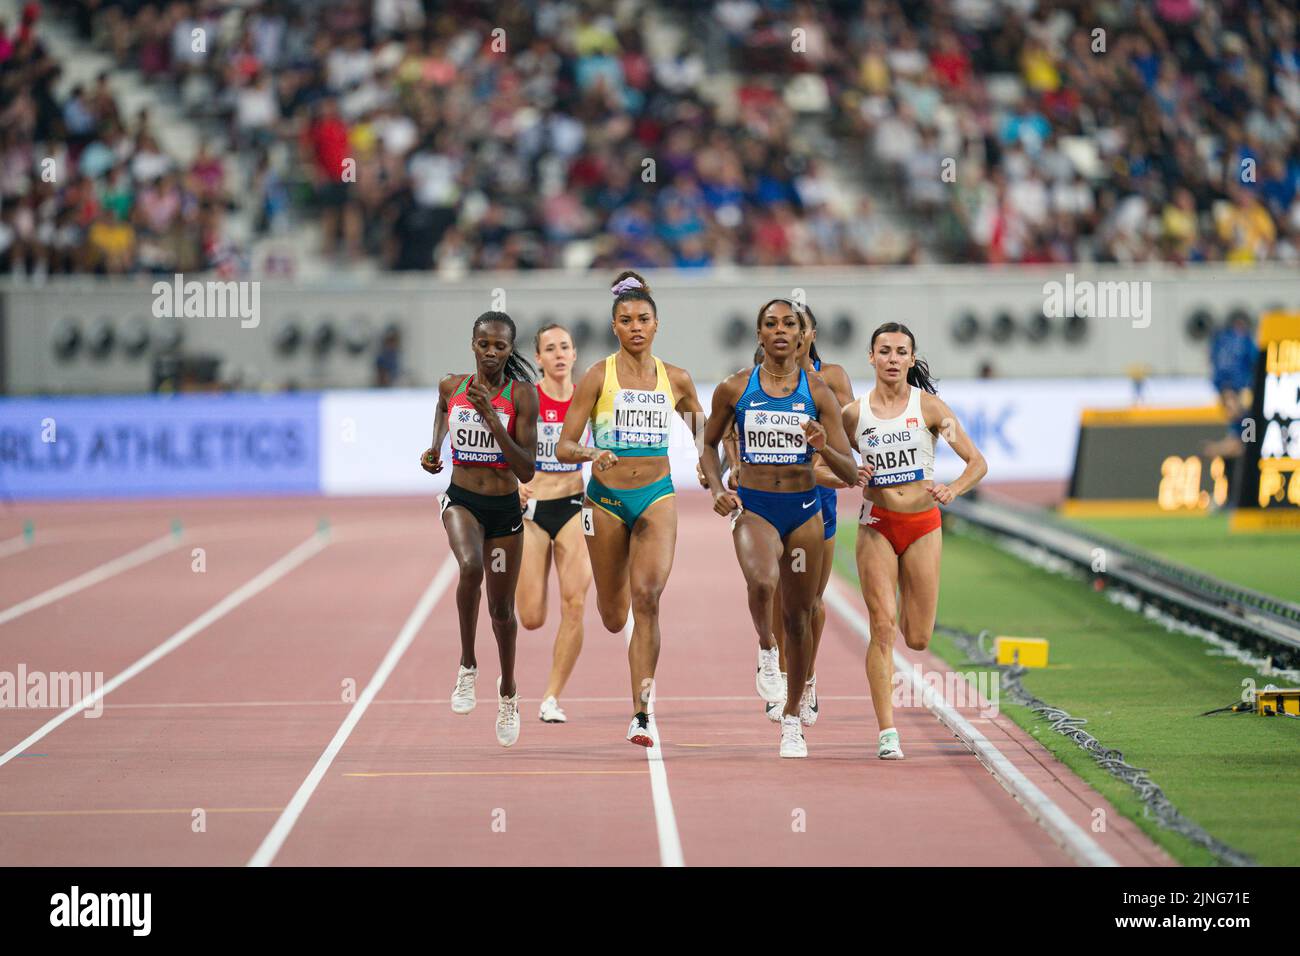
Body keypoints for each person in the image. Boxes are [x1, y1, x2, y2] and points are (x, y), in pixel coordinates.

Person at [700, 300, 861, 757]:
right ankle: (766, 649)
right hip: (756, 508)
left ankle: (793, 718)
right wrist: (716, 487)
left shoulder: (820, 390)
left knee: (801, 614)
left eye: (789, 324)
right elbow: (708, 444)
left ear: (802, 334)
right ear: (759, 334)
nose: (780, 331)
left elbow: (850, 472)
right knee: (763, 582)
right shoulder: (735, 388)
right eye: (771, 324)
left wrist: (822, 446)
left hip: (805, 510)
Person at [556, 270, 706, 747]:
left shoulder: (676, 378)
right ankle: (614, 600)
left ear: (656, 324)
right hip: (604, 501)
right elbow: (563, 446)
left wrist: (715, 470)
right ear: (614, 326)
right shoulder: (598, 376)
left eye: (643, 318)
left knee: (648, 599)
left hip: (656, 496)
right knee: (614, 614)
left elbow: (705, 434)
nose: (636, 326)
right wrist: (591, 454)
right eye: (626, 320)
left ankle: (642, 712)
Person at [843, 322, 986, 759]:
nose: (891, 358)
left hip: (923, 525)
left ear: (910, 358)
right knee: (881, 626)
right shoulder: (853, 414)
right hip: (876, 525)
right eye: (883, 351)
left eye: (900, 351)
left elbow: (976, 462)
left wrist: (953, 489)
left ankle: (906, 599)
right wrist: (852, 473)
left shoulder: (929, 409)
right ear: (871, 357)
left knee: (918, 638)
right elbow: (824, 465)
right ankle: (887, 732)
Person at [420, 312, 538, 747]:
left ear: (510, 349)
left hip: (504, 509)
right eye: (484, 344)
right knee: (470, 566)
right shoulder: (452, 386)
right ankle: (467, 665)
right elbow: (441, 408)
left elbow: (526, 469)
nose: (491, 353)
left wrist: (492, 419)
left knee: (502, 612)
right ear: (473, 343)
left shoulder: (522, 396)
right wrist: (435, 449)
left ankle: (508, 690)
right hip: (462, 499)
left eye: (500, 346)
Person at [767, 304, 856, 725]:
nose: (792, 334)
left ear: (812, 333)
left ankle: (808, 678)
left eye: (799, 327)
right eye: (784, 326)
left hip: (822, 499)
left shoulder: (831, 378)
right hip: (775, 494)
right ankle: (778, 669)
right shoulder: (765, 373)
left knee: (810, 601)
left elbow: (854, 437)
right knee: (774, 590)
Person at [517, 323, 593, 724]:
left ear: (575, 354)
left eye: (565, 346)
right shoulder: (528, 399)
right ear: (540, 359)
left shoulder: (587, 400)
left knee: (575, 603)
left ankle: (551, 697)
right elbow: (501, 445)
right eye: (551, 348)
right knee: (531, 617)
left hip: (573, 506)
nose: (560, 354)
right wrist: (514, 482)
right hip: (532, 514)